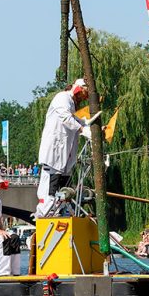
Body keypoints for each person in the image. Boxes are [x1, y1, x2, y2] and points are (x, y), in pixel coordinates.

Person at [36, 79, 93, 218]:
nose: (84, 99)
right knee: (52, 181)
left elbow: (76, 120)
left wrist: (91, 128)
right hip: (54, 149)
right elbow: (66, 118)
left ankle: (61, 209)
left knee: (64, 180)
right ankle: (47, 210)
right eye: (84, 95)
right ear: (79, 89)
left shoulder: (71, 103)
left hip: (65, 152)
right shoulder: (62, 98)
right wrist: (82, 129)